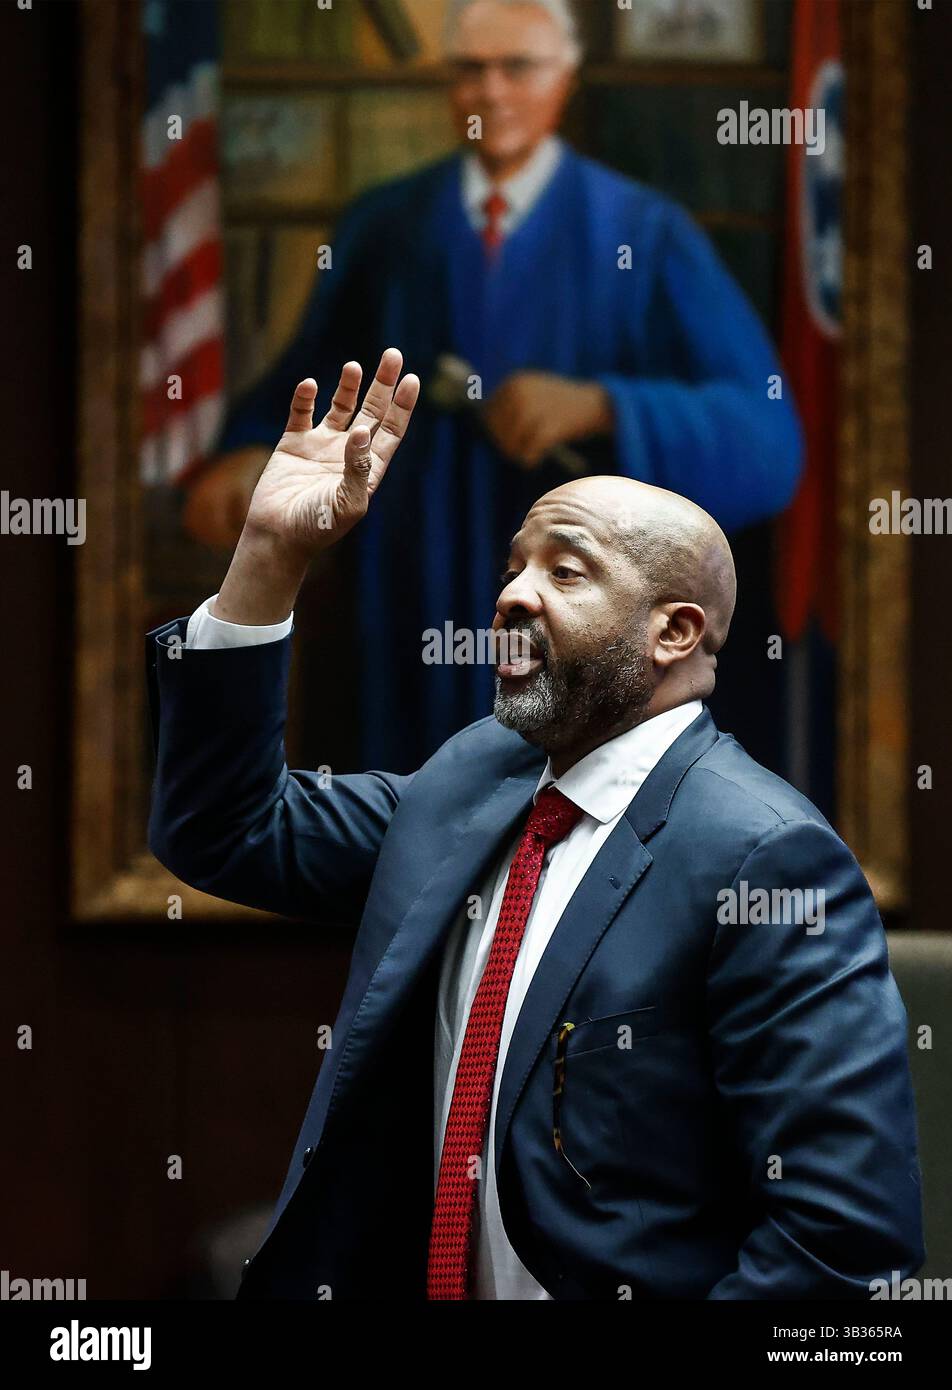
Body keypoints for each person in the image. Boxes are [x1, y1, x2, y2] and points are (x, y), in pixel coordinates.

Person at [147, 350, 923, 1300]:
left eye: (566, 570)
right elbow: (225, 830)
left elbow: (840, 1245)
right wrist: (269, 555)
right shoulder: (474, 776)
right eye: (514, 566)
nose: (513, 594)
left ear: (673, 633)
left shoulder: (766, 857)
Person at [182, 0, 803, 772]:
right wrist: (251, 455)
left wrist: (605, 404)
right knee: (412, 828)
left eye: (519, 67)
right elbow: (307, 384)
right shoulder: (385, 227)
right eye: (471, 69)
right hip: (409, 601)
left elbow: (766, 437)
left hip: (581, 624)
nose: (492, 92)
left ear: (565, 79)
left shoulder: (644, 234)